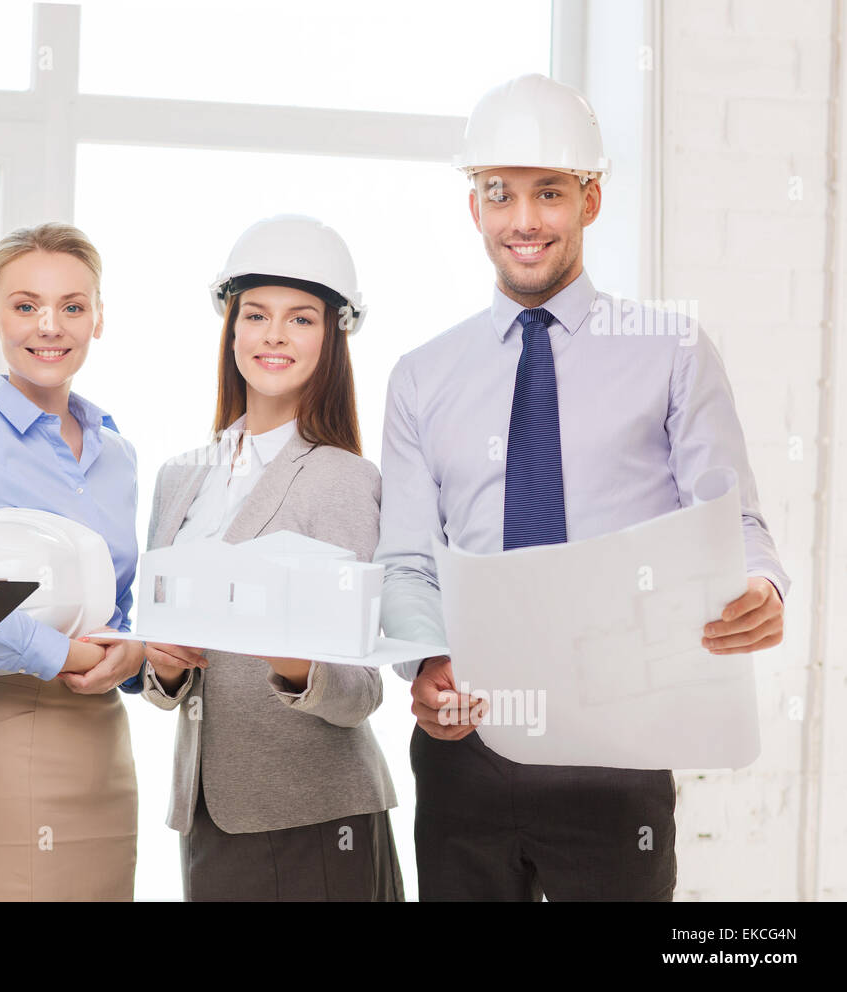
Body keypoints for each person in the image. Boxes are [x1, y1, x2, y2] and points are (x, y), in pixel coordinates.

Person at [374, 74, 789, 901]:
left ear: (590, 200)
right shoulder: (422, 378)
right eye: (501, 194)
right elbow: (408, 560)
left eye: (550, 193)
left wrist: (761, 584)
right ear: (475, 208)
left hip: (620, 746)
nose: (524, 221)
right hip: (469, 751)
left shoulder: (670, 349)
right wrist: (426, 661)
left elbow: (729, 513)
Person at [122, 215, 403, 901]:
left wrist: (294, 663)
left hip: (314, 818)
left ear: (332, 339)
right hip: (209, 816)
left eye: (301, 319)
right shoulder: (179, 478)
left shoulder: (342, 478)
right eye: (257, 315)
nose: (274, 335)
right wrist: (158, 665)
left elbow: (364, 689)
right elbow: (169, 677)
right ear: (233, 328)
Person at [0, 222, 144, 901]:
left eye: (73, 305)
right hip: (5, 738)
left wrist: (132, 652)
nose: (51, 325)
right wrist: (66, 655)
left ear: (98, 319)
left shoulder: (117, 454)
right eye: (25, 304)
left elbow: (120, 603)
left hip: (104, 747)